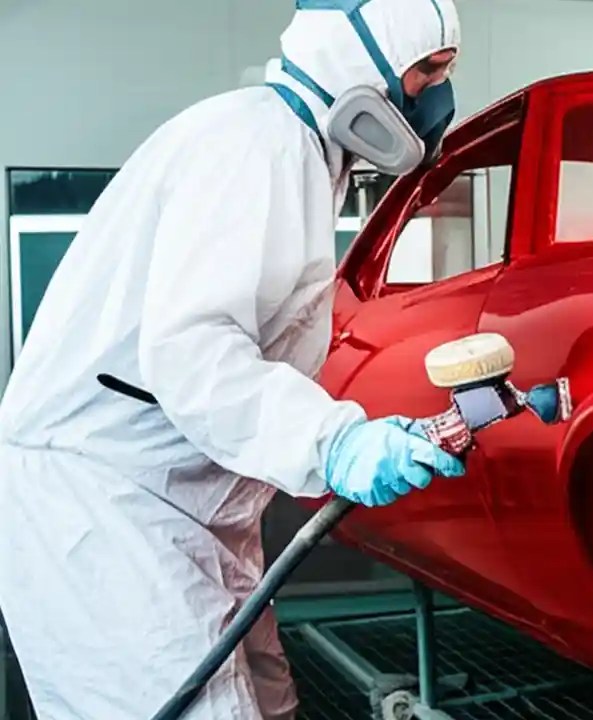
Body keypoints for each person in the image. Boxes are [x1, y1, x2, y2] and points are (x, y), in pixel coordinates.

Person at [0, 0, 466, 717]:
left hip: (187, 505)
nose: (438, 98)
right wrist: (335, 440)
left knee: (267, 701)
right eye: (427, 70)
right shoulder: (254, 146)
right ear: (361, 67)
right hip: (103, 505)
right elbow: (193, 351)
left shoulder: (305, 155)